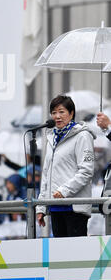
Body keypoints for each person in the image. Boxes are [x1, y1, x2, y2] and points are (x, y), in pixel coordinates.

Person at [36, 95, 95, 238]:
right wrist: (41, 207)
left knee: (76, 254)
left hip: (74, 207)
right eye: (54, 112)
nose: (57, 116)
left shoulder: (82, 136)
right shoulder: (52, 138)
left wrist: (64, 191)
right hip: (55, 207)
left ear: (71, 113)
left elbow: (86, 171)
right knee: (60, 255)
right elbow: (46, 175)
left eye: (61, 112)